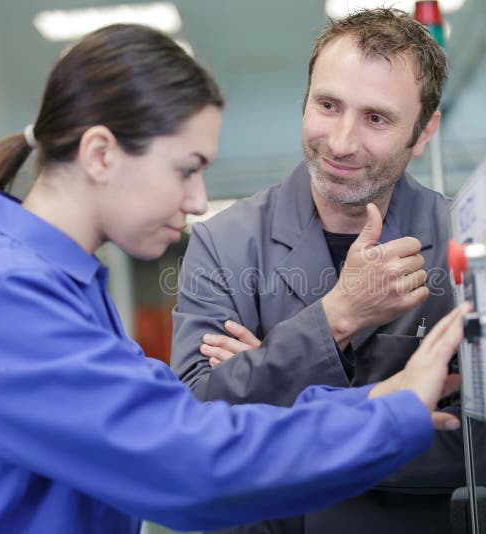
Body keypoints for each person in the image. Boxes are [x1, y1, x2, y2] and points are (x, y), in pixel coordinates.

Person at [0, 24, 471, 534]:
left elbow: (179, 424)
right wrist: (390, 410)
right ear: (101, 155)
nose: (200, 199)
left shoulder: (59, 283)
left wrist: (375, 398)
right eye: (187, 169)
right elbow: (192, 457)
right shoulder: (10, 294)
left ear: (422, 132)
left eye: (375, 117)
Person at [171, 8, 463, 534]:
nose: (342, 142)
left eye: (376, 118)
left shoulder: (463, 240)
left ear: (423, 133)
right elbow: (197, 424)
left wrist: (267, 399)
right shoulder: (224, 244)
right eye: (328, 105)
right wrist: (337, 319)